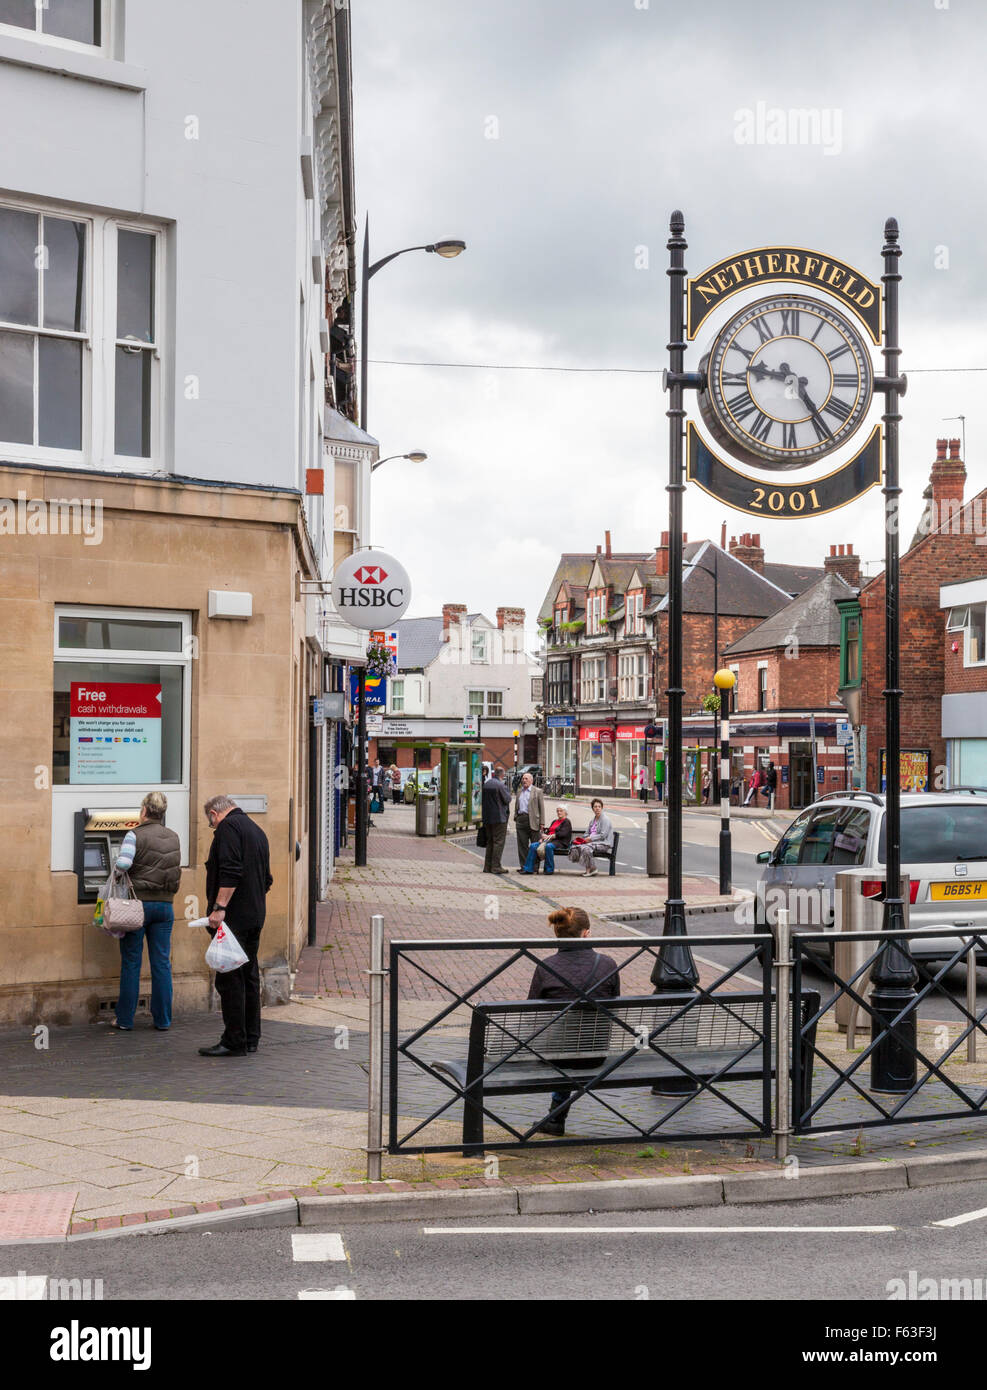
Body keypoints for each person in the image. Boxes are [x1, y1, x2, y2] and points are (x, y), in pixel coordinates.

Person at [527, 907, 621, 1136]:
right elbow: (614, 1007)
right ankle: (555, 1118)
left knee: (562, 1041)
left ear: (557, 933)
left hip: (555, 1056)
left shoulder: (545, 966)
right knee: (574, 1039)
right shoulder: (607, 964)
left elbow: (532, 1011)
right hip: (595, 1052)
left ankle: (555, 1118)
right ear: (586, 933)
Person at [199, 794, 273, 1057]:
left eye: (212, 824)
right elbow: (267, 879)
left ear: (214, 815)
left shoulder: (228, 828)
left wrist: (220, 908)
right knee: (249, 975)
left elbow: (230, 871)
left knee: (229, 978)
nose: (213, 828)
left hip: (234, 919)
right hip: (255, 915)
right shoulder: (257, 831)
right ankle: (251, 1037)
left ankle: (233, 1040)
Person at [111, 791, 181, 1032]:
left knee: (131, 962)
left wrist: (116, 873)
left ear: (144, 811)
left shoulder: (134, 834)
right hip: (165, 906)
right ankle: (163, 1020)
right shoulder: (173, 836)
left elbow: (123, 864)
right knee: (161, 963)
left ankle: (125, 1019)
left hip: (137, 906)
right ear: (162, 813)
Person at [520, 805, 572, 875]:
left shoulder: (566, 822)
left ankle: (549, 869)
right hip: (548, 840)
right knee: (533, 846)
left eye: (561, 811)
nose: (559, 812)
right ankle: (528, 869)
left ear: (565, 812)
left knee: (549, 847)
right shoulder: (555, 821)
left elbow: (563, 834)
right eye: (557, 811)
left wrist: (551, 836)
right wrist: (542, 838)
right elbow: (548, 831)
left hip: (560, 842)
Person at [569, 798, 614, 876]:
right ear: (592, 808)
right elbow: (587, 833)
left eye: (599, 806)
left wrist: (590, 839)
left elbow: (603, 835)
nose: (597, 808)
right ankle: (592, 869)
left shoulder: (605, 819)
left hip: (603, 844)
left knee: (586, 848)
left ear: (602, 808)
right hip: (593, 843)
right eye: (595, 806)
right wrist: (586, 838)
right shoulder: (592, 820)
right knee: (576, 847)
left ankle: (590, 870)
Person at [512, 770, 545, 872]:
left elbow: (541, 808)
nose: (524, 780)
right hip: (521, 820)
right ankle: (524, 867)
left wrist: (542, 823)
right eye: (523, 779)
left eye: (526, 779)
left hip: (533, 821)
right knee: (522, 846)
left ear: (531, 780)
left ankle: (534, 867)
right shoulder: (519, 791)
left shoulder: (537, 791)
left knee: (535, 845)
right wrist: (516, 816)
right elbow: (517, 805)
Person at [481, 767, 511, 874]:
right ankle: (496, 866)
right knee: (498, 842)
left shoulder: (487, 784)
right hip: (499, 818)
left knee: (490, 842)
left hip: (487, 818)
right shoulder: (500, 785)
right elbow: (507, 799)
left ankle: (487, 866)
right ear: (502, 775)